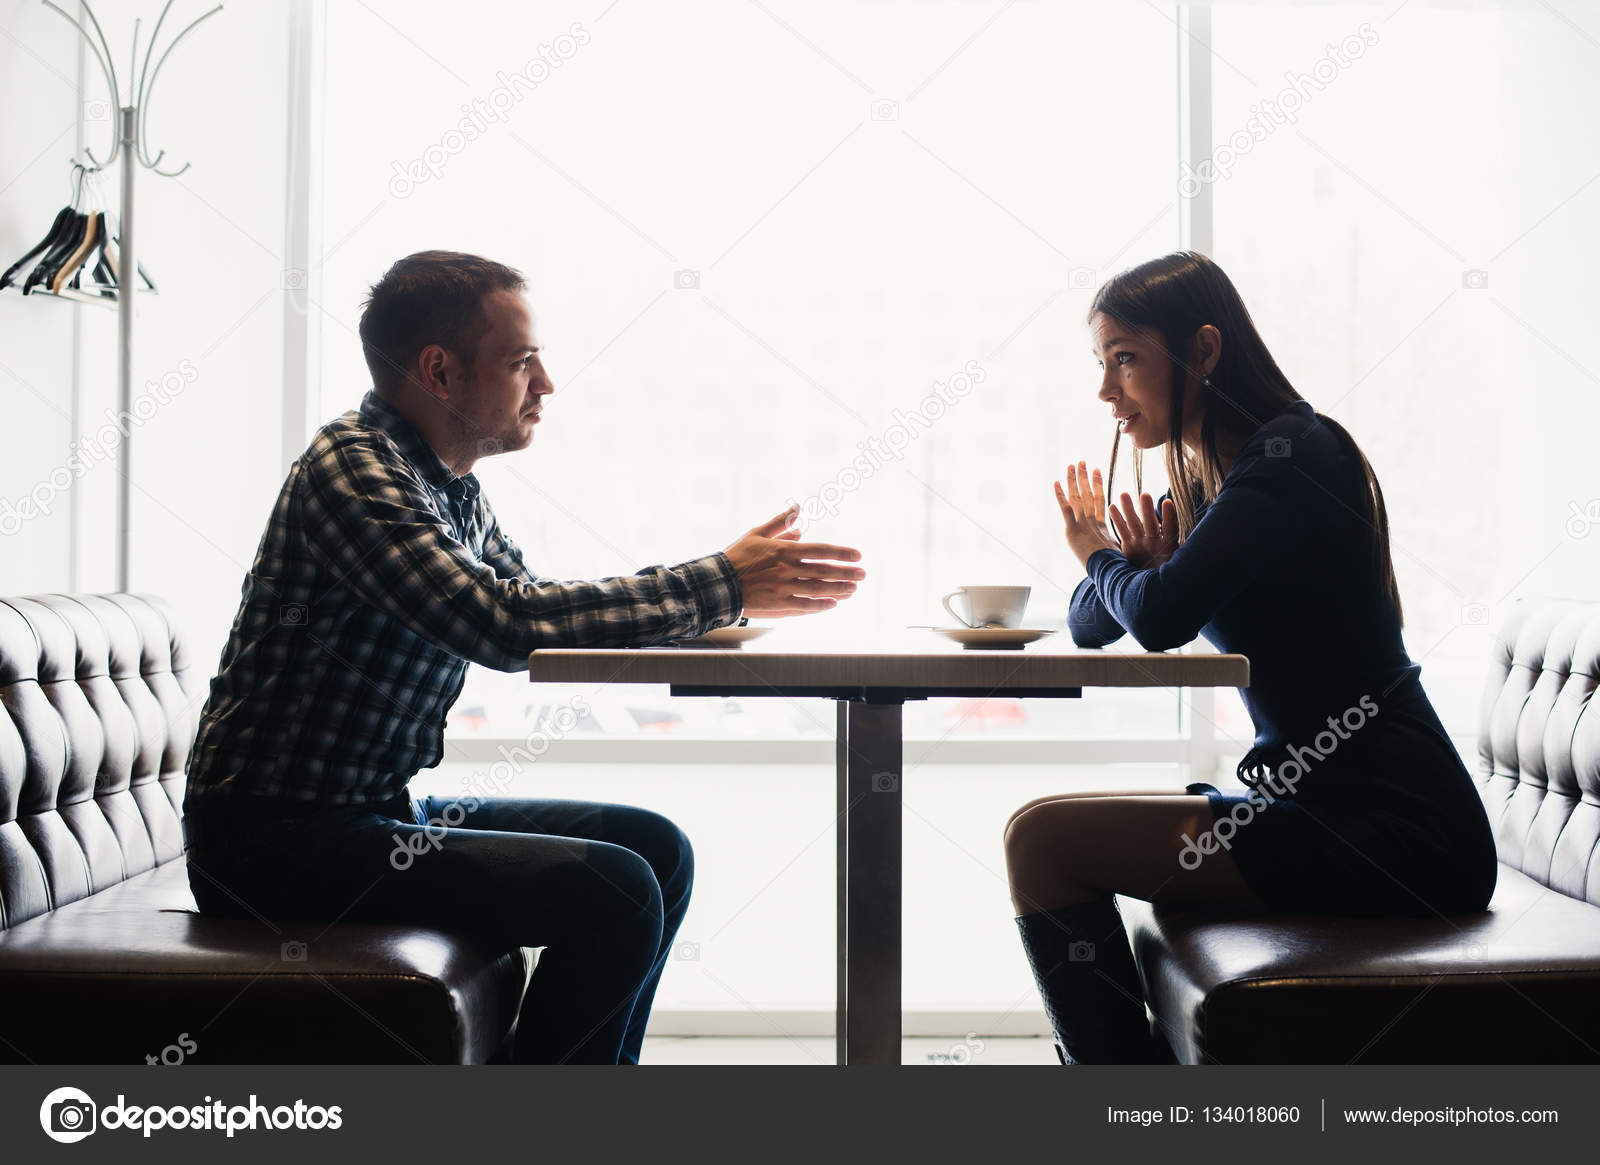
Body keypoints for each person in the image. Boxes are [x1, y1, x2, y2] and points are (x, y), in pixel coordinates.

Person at [181, 249, 866, 1064]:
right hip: (273, 845)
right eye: (520, 361)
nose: (545, 383)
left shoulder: (447, 484)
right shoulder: (354, 469)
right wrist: (719, 582)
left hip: (372, 812)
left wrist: (723, 600)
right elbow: (502, 623)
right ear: (440, 370)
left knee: (658, 849)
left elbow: (540, 605)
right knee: (614, 891)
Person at [1003, 251, 1497, 1064]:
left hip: (1401, 829)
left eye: (1124, 358)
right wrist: (1124, 566)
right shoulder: (1219, 479)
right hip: (1325, 805)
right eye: (1101, 363)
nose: (1105, 391)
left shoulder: (1293, 456)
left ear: (1202, 350)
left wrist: (1103, 555)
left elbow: (1155, 616)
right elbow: (1096, 623)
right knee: (1041, 836)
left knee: (1044, 843)